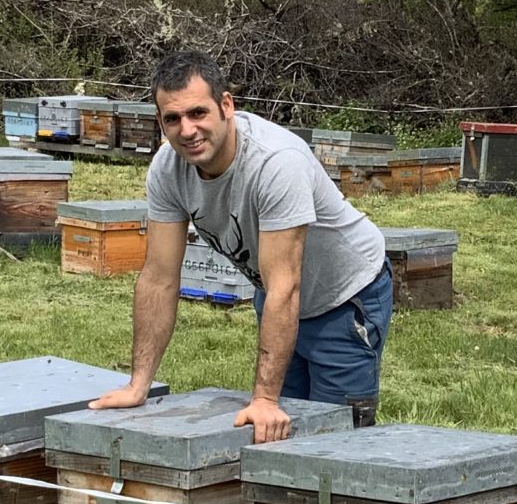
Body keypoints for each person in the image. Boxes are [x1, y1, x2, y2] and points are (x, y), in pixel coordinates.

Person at [87, 50, 392, 439]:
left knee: (334, 436)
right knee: (279, 431)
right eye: (173, 119)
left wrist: (264, 397)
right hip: (278, 293)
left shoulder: (276, 162)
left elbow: (287, 284)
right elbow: (159, 277)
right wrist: (138, 384)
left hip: (345, 294)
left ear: (226, 106)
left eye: (198, 113)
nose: (187, 130)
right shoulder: (167, 170)